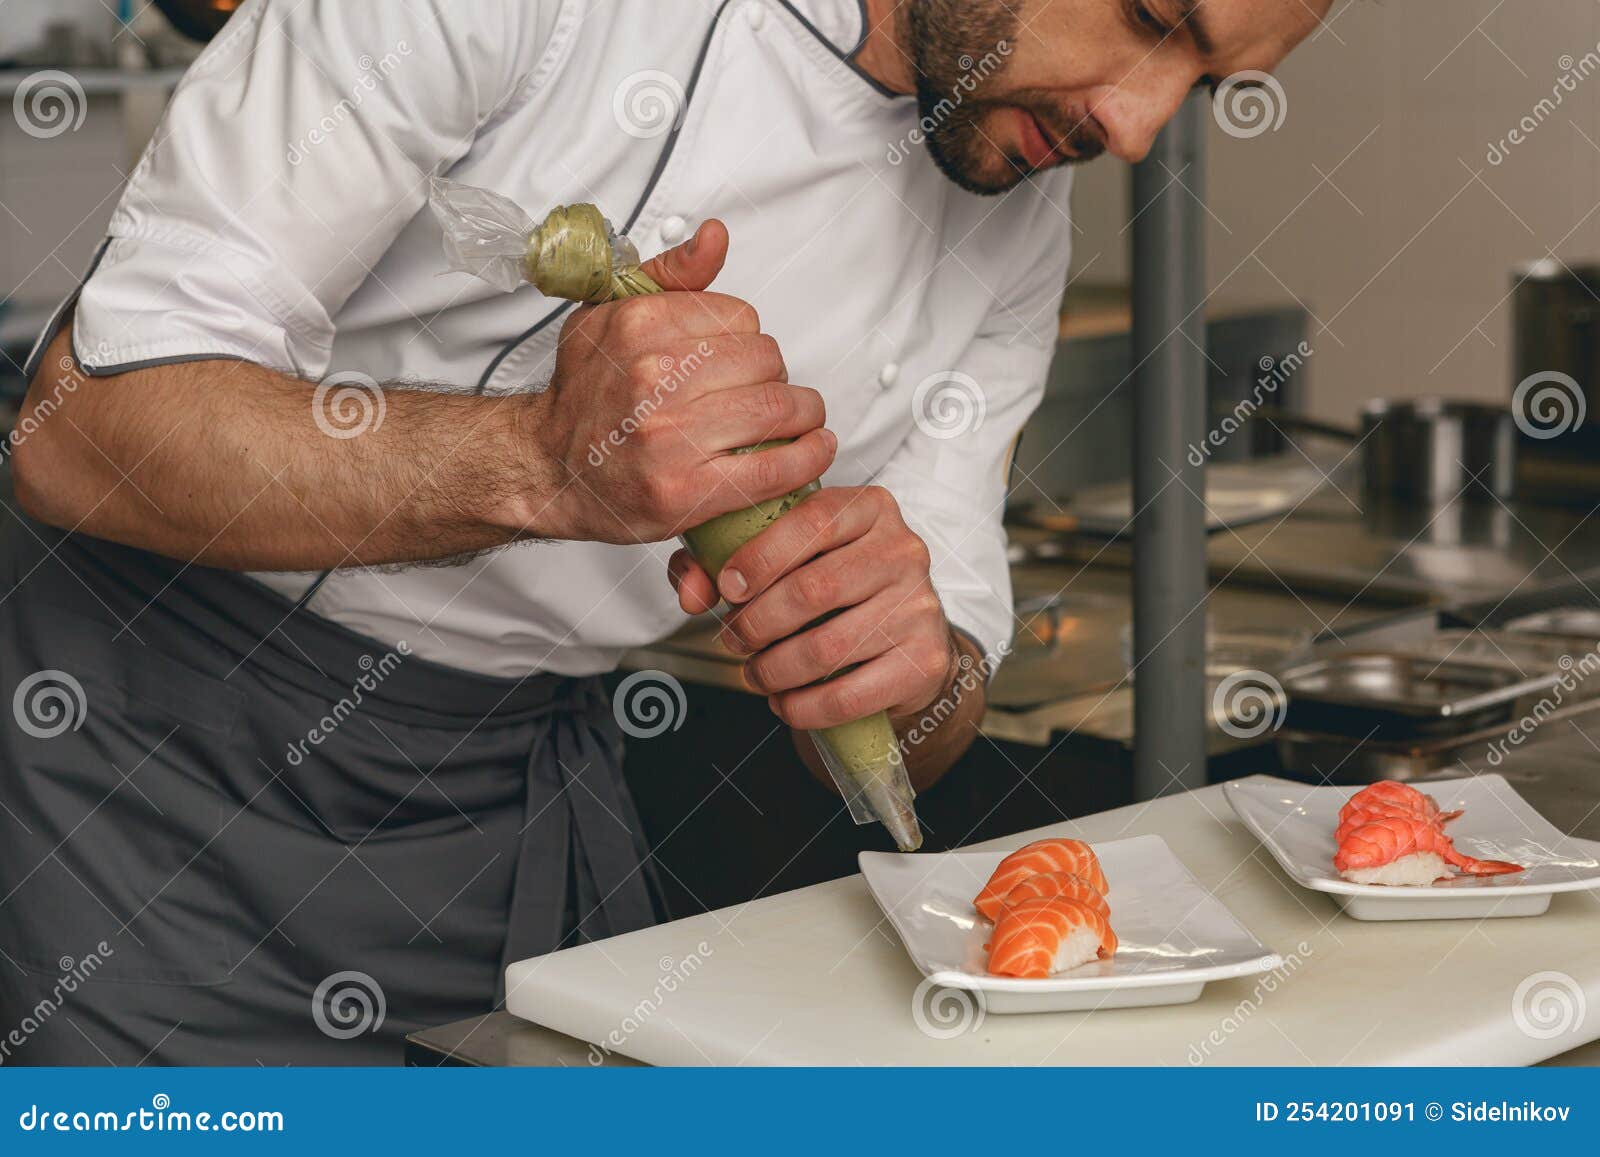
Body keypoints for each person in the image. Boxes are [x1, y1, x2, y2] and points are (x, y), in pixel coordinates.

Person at [1, 0, 1328, 1063]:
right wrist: (534, 461)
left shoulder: (1015, 216)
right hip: (160, 779)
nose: (1142, 125)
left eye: (1207, 83)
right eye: (1153, 20)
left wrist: (903, 671)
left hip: (512, 807)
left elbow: (937, 701)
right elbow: (73, 431)